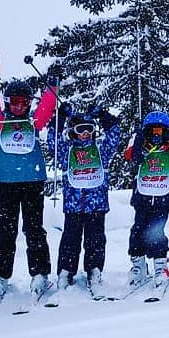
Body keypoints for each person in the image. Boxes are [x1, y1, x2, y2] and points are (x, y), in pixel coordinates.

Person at [0, 56, 59, 303]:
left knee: (34, 229)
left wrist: (54, 84)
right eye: (14, 102)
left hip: (32, 182)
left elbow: (47, 107)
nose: (18, 107)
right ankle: (0, 276)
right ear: (7, 102)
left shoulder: (33, 123)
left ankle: (40, 273)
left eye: (23, 102)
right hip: (6, 183)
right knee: (6, 230)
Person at [48, 104, 121, 297]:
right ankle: (66, 272)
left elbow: (115, 135)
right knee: (70, 241)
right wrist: (60, 117)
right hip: (73, 206)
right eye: (81, 129)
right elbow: (52, 141)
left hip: (96, 204)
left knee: (95, 240)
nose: (86, 133)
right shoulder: (66, 153)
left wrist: (102, 114)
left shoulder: (101, 151)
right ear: (73, 132)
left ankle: (94, 270)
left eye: (90, 129)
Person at [126, 111, 169, 291]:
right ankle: (138, 266)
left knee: (156, 231)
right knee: (138, 230)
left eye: (160, 131)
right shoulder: (139, 145)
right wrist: (141, 137)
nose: (156, 135)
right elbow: (132, 157)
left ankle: (160, 267)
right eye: (152, 131)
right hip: (142, 196)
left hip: (163, 197)